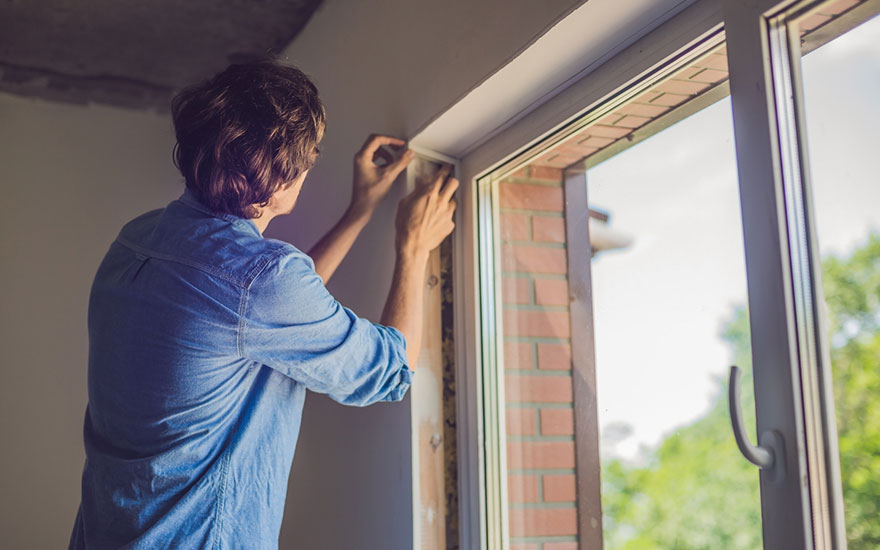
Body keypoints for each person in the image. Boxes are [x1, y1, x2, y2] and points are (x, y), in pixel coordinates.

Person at [69, 60, 457, 549]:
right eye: (310, 156)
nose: (312, 165)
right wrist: (414, 247)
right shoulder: (262, 284)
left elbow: (257, 313)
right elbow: (389, 370)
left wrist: (360, 211)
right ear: (281, 176)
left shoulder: (137, 239)